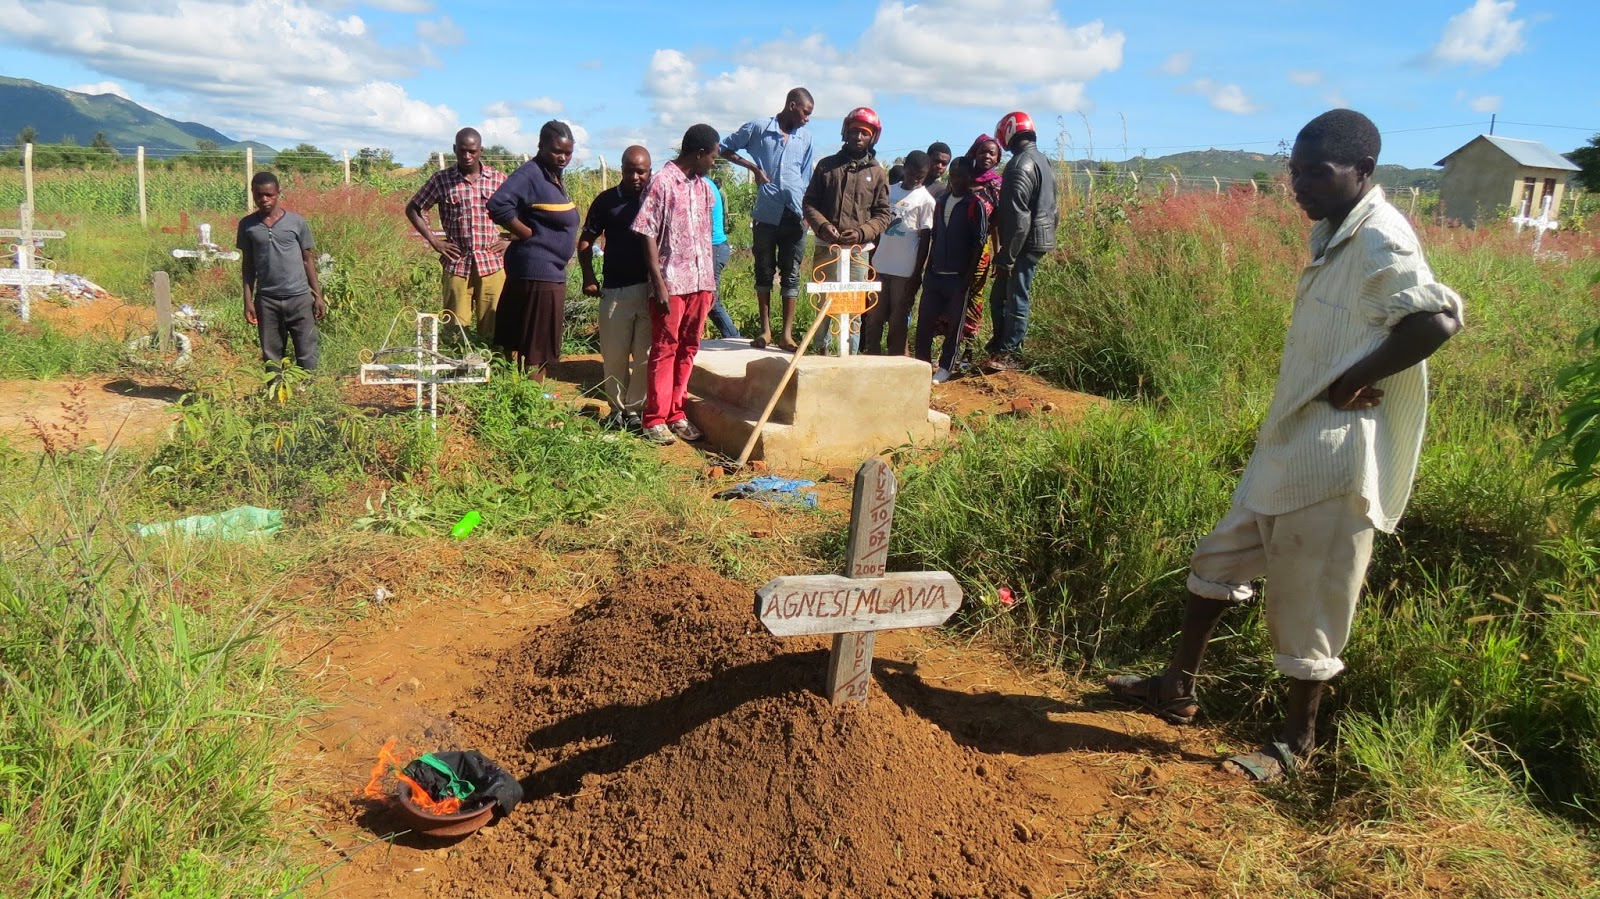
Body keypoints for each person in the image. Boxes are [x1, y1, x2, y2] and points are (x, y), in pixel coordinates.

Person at [1107, 109, 1464, 783]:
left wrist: (1353, 379)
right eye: (1295, 171)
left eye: (1316, 174)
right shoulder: (1334, 233)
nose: (1299, 185)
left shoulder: (1382, 239)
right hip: (1291, 441)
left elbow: (1439, 319)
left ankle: (1297, 744)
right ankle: (1175, 685)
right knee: (1216, 558)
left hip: (1334, 460)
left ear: (1363, 172)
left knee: (1309, 606)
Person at [633, 124, 721, 445]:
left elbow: (706, 240)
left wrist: (710, 285)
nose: (714, 161)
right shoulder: (662, 183)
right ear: (698, 154)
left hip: (700, 284)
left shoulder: (705, 189)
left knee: (689, 347)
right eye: (712, 155)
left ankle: (676, 413)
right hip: (671, 283)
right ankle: (654, 417)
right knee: (665, 349)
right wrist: (658, 282)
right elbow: (646, 231)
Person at [719, 88, 815, 351]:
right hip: (766, 215)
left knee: (791, 274)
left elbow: (805, 178)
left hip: (795, 215)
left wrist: (806, 213)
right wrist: (754, 168)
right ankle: (765, 331)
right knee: (763, 270)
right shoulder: (760, 128)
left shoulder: (805, 138)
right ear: (792, 105)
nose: (807, 119)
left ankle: (786, 336)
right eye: (806, 112)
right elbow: (724, 148)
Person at [487, 121, 580, 383]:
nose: (563, 158)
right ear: (540, 146)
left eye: (568, 153)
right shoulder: (531, 173)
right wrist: (526, 233)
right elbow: (498, 204)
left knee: (527, 342)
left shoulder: (550, 175)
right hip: (539, 273)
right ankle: (531, 407)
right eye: (557, 151)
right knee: (536, 348)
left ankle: (517, 397)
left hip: (541, 270)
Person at [802, 107, 892, 354]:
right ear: (845, 132)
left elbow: (883, 214)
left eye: (865, 133)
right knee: (825, 303)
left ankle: (849, 357)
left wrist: (863, 232)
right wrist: (822, 226)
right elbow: (809, 203)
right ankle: (821, 353)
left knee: (853, 307)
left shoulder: (877, 172)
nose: (858, 137)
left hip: (858, 253)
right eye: (854, 131)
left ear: (873, 137)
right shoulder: (826, 167)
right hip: (826, 247)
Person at [405, 127, 509, 342]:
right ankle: (456, 368)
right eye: (462, 151)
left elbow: (525, 211)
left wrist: (511, 240)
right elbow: (414, 208)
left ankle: (493, 371)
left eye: (472, 151)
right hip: (457, 262)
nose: (467, 156)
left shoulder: (498, 179)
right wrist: (435, 242)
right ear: (454, 149)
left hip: (491, 261)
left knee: (494, 323)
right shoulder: (442, 180)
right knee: (454, 327)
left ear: (481, 150)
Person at [578, 145, 652, 430]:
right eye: (629, 170)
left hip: (649, 291)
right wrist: (588, 277)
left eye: (641, 171)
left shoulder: (655, 199)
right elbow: (586, 241)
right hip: (616, 291)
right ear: (621, 169)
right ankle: (617, 410)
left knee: (645, 356)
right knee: (614, 356)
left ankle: (635, 411)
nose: (635, 177)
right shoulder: (606, 201)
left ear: (649, 171)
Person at [982, 111, 1057, 372]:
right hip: (1038, 239)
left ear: (1008, 132)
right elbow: (1052, 207)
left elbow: (1020, 218)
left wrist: (1008, 256)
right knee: (1002, 295)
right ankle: (1000, 345)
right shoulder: (1043, 161)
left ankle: (1009, 354)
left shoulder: (1019, 164)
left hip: (1023, 242)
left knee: (1015, 296)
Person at [237, 171, 324, 378]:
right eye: (259, 195)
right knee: (271, 355)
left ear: (279, 193)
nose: (264, 200)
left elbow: (307, 259)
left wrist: (318, 296)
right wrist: (248, 301)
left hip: (300, 298)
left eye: (269, 195)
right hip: (267, 300)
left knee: (307, 352)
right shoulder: (247, 225)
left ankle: (307, 394)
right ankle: (276, 398)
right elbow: (248, 265)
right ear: (253, 194)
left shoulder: (296, 222)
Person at [915, 157, 989, 381]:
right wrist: (927, 270)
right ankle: (921, 365)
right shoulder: (941, 201)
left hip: (958, 278)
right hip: (935, 274)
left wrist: (967, 279)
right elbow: (935, 236)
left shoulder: (975, 205)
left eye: (962, 176)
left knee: (955, 325)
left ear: (970, 178)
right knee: (925, 321)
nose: (957, 180)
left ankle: (946, 366)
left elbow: (979, 244)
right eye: (953, 175)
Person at [862, 150, 934, 356]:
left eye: (920, 177)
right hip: (880, 265)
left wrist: (916, 273)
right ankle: (871, 355)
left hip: (904, 270)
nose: (915, 180)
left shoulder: (926, 200)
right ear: (905, 168)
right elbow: (876, 228)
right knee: (874, 316)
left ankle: (895, 360)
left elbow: (925, 240)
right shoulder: (888, 191)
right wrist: (870, 262)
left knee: (898, 319)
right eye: (912, 174)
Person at [956, 134, 1003, 361]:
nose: (986, 155)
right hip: (954, 248)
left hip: (979, 252)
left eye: (992, 153)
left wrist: (997, 252)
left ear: (997, 159)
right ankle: (949, 347)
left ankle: (969, 350)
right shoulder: (961, 179)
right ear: (975, 153)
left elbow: (997, 225)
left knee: (974, 297)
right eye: (983, 151)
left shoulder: (996, 186)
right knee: (953, 295)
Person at [705, 176, 742, 339]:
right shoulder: (703, 182)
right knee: (705, 298)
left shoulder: (704, 185)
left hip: (714, 247)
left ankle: (734, 337)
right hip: (714, 247)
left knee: (709, 298)